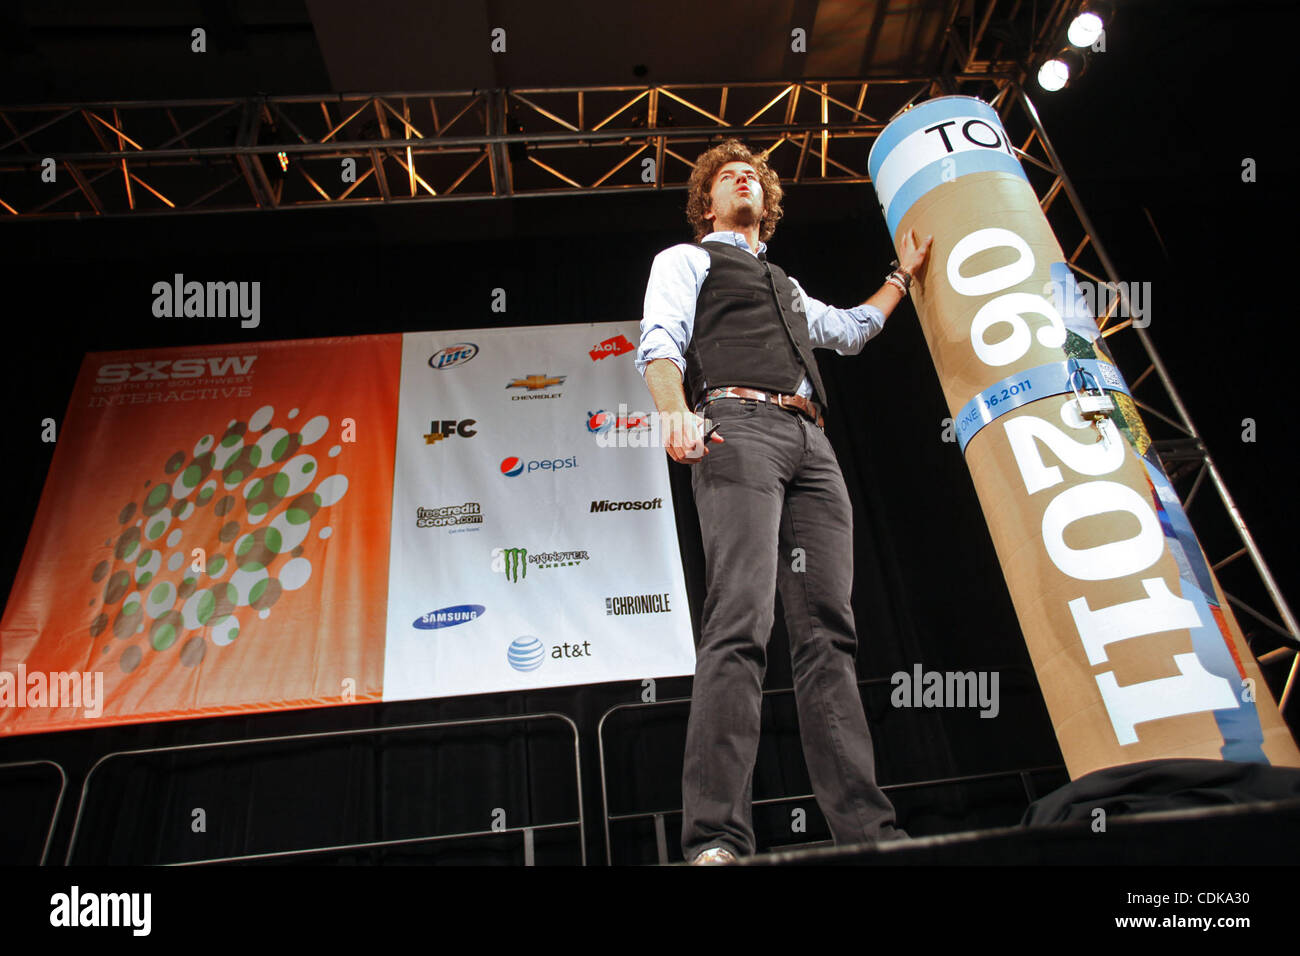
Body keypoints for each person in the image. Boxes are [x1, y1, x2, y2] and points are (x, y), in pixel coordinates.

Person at [636, 138, 932, 864]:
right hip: (735, 428)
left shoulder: (789, 287)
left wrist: (902, 277)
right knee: (739, 621)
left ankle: (869, 837)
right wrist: (674, 410)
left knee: (830, 635)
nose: (742, 179)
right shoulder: (688, 260)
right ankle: (715, 841)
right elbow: (659, 342)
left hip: (812, 445)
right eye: (726, 176)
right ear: (709, 203)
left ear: (767, 205)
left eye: (752, 176)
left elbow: (854, 333)